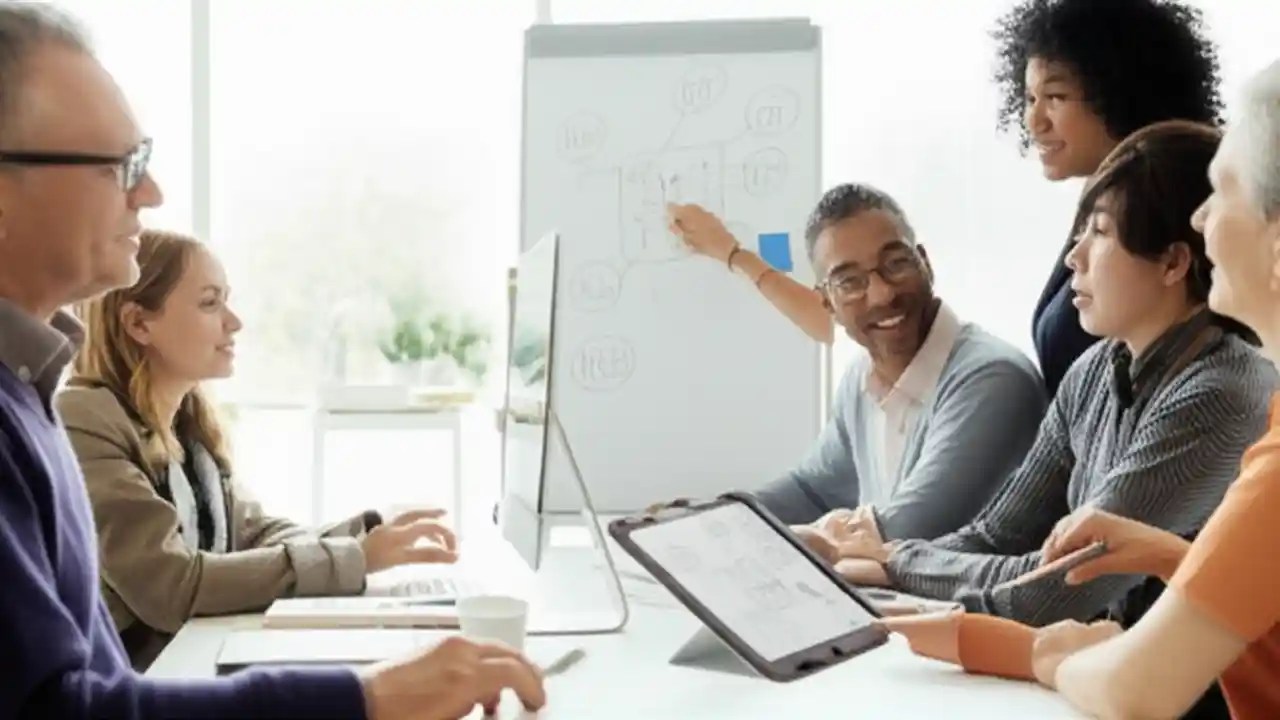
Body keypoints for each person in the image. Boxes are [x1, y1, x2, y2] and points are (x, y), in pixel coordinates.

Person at [0, 5, 542, 718]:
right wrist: (364, 698)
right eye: (117, 166)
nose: (151, 193)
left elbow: (243, 538)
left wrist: (365, 538)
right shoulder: (55, 415)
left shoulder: (32, 395)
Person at [881, 62, 1280, 719]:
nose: (1204, 217)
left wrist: (1052, 656)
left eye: (1226, 189)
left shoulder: (1240, 407)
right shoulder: (1097, 372)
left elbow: (1134, 690)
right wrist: (1170, 556)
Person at [827, 122, 1276, 632]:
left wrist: (897, 562)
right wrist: (885, 564)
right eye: (1079, 231)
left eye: (1100, 232)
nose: (1073, 257)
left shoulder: (1221, 393)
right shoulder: (1093, 370)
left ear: (1173, 262)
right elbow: (998, 536)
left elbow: (1053, 593)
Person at [672, 0, 1223, 396]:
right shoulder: (1098, 213)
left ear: (1121, 93)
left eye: (1055, 96)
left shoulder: (1161, 221)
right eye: (1028, 97)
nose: (1033, 120)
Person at [58, 229, 458, 669]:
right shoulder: (85, 419)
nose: (234, 321)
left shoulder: (188, 426)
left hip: (186, 662)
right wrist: (356, 559)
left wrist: (366, 532)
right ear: (138, 323)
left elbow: (256, 535)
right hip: (133, 686)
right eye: (210, 303)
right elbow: (171, 586)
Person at [679, 185, 1046, 542]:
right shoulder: (861, 379)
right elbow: (811, 491)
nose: (883, 293)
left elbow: (910, 530)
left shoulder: (994, 379)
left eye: (896, 263)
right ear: (827, 302)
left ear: (926, 264)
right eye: (849, 281)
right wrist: (711, 520)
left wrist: (765, 539)